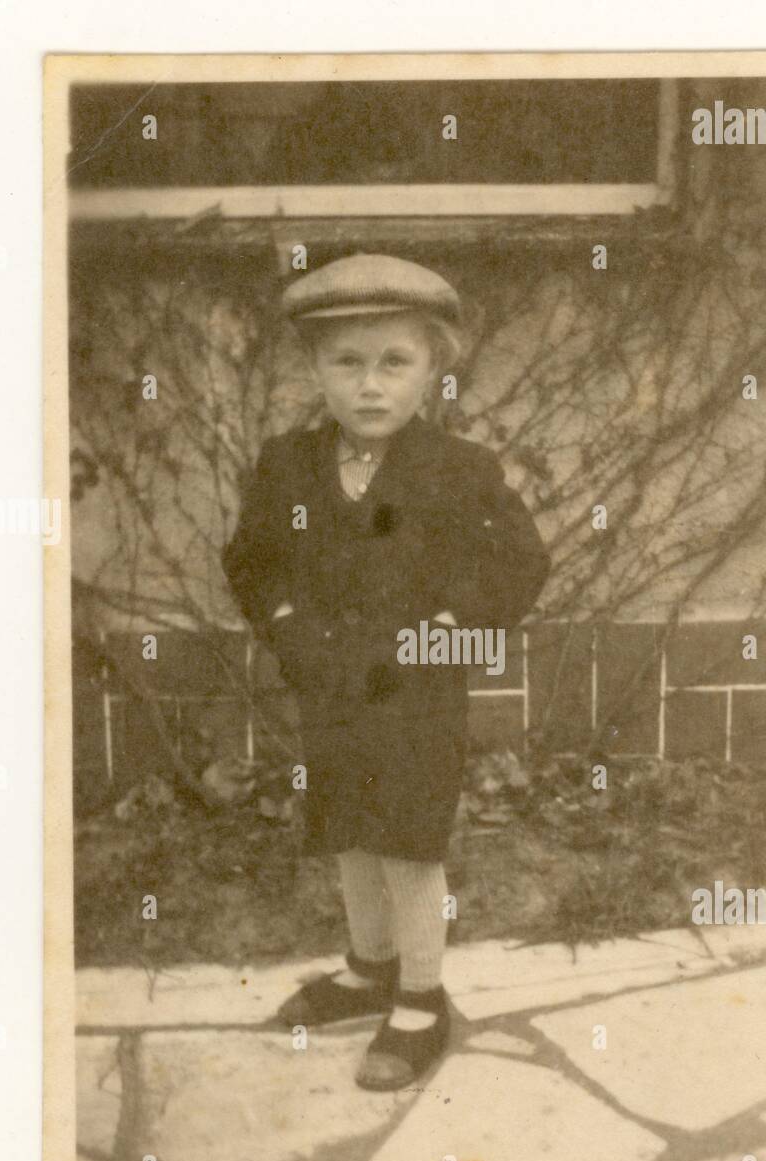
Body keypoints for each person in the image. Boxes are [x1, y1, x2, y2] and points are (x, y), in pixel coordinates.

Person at [222, 253, 551, 1090]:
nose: (371, 385)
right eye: (348, 361)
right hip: (329, 684)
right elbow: (254, 561)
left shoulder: (457, 469)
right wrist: (287, 622)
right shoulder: (287, 466)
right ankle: (368, 969)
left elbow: (517, 563)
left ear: (433, 370)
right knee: (349, 834)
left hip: (418, 687)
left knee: (407, 840)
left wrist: (449, 628)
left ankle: (423, 998)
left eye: (395, 361)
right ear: (315, 370)